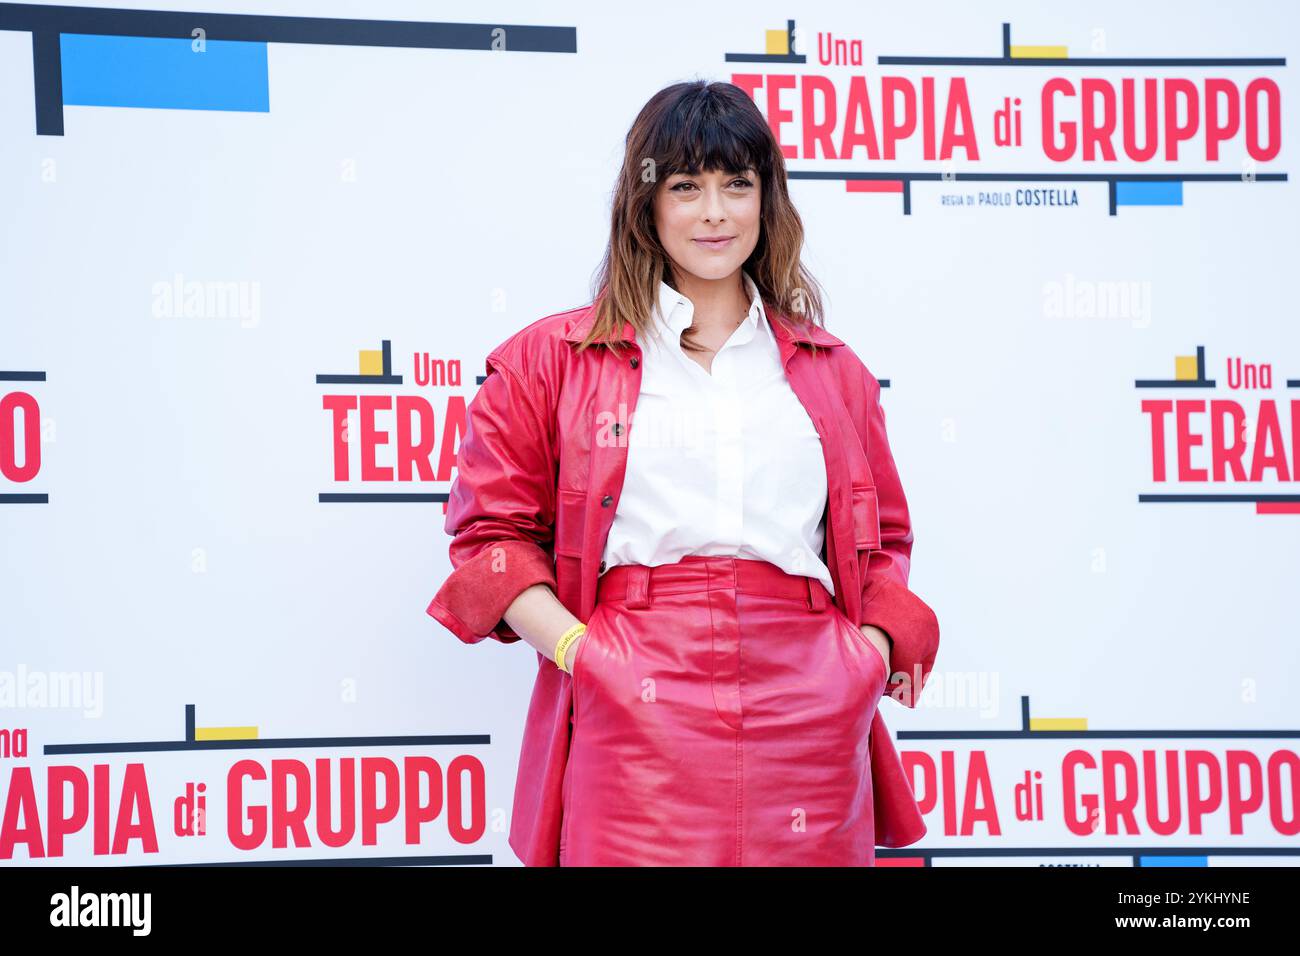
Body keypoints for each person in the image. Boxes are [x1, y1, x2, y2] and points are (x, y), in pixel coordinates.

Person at [427, 80, 940, 866]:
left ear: (768, 201)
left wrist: (863, 657)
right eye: (686, 185)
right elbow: (490, 536)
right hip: (635, 695)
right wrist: (583, 656)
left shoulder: (837, 373)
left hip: (811, 700)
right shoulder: (551, 361)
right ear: (646, 203)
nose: (714, 211)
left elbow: (886, 542)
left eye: (738, 183)